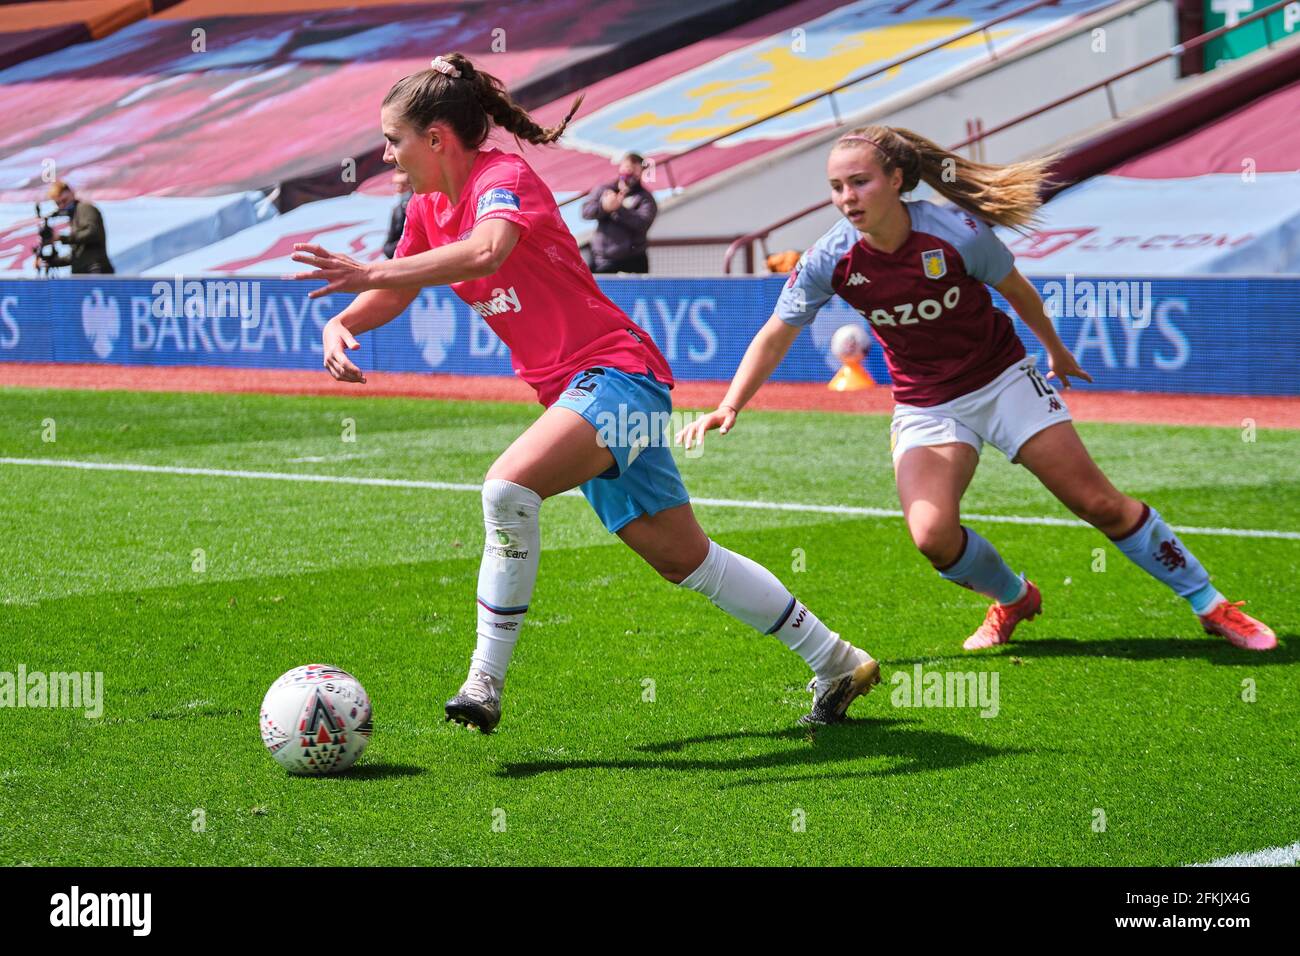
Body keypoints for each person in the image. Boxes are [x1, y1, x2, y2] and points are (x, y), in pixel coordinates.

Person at [288, 53, 881, 733]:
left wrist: (369, 268)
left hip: (616, 378)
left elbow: (488, 251)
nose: (387, 156)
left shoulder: (502, 178)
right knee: (683, 557)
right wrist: (344, 317)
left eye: (392, 140)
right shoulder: (425, 206)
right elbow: (398, 286)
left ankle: (484, 682)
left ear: (435, 138)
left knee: (507, 490)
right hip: (590, 394)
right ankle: (836, 659)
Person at [677, 125, 1276, 653]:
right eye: (836, 188)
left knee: (1099, 504)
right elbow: (777, 333)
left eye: (858, 183)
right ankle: (1014, 598)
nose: (846, 199)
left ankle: (1210, 603)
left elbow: (1017, 290)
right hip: (926, 405)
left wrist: (1056, 350)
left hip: (1004, 382)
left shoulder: (957, 233)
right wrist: (730, 404)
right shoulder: (829, 258)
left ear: (895, 178)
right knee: (932, 538)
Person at [580, 152, 656, 274]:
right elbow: (586, 212)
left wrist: (618, 208)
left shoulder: (645, 198)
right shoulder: (604, 189)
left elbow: (642, 224)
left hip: (634, 260)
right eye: (627, 168)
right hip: (603, 260)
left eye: (635, 170)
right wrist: (604, 207)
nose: (630, 173)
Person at [40, 181, 114, 274]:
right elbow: (77, 255)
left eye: (64, 200)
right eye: (58, 203)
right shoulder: (74, 215)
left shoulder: (85, 208)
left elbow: (92, 232)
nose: (62, 206)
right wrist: (51, 262)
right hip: (83, 272)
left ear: (71, 193)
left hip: (94, 270)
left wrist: (60, 238)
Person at [382, 169, 413, 259]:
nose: (399, 189)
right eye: (396, 184)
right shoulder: (398, 211)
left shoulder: (423, 205)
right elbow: (387, 248)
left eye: (404, 184)